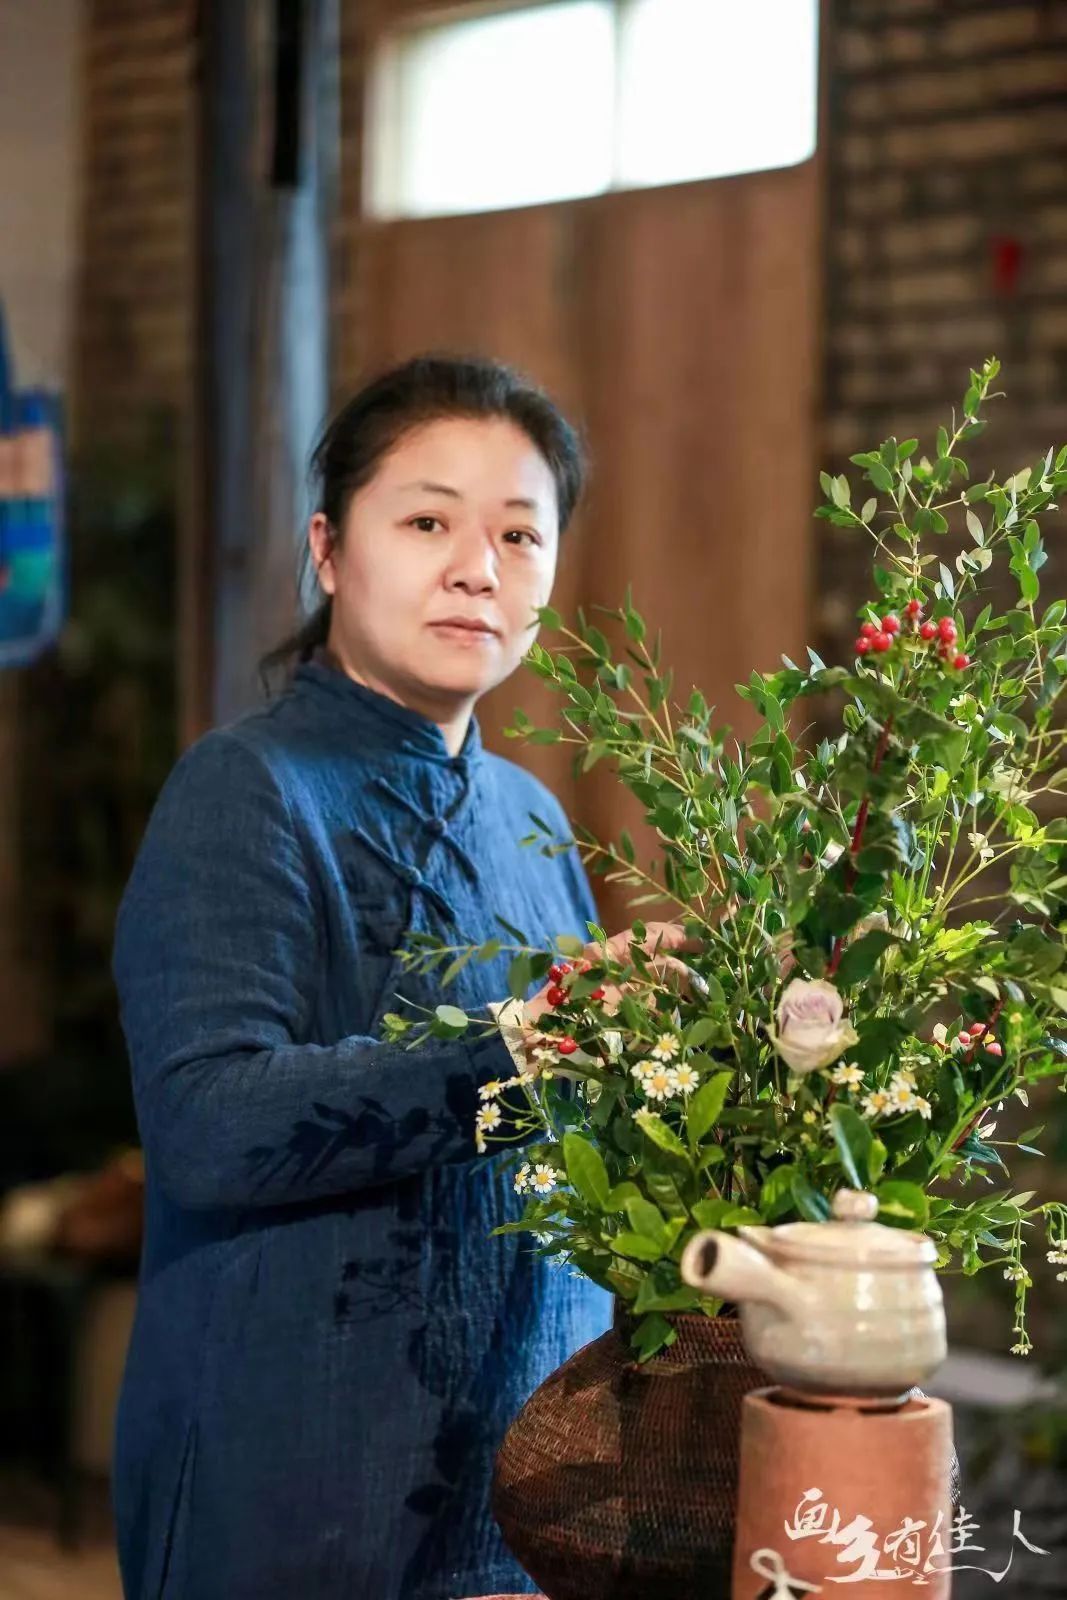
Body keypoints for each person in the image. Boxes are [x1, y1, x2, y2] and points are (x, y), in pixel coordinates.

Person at [110, 352, 697, 1599]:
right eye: (426, 520)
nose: (477, 567)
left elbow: (578, 1149)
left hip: (527, 1484)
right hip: (299, 1470)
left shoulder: (536, 820)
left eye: (519, 536)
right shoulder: (249, 789)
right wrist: (527, 1046)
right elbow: (209, 1121)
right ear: (328, 549)